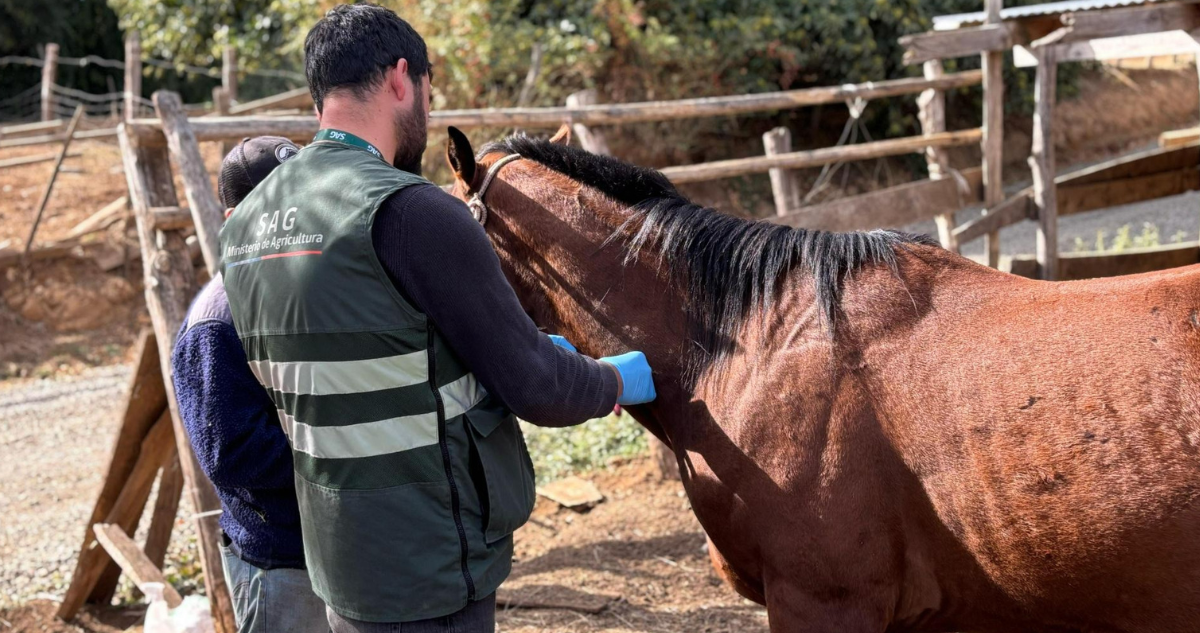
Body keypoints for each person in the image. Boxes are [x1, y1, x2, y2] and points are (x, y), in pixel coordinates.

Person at [218, 4, 657, 632]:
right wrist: (614, 380)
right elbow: (536, 386)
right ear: (402, 78)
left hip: (340, 559)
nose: (427, 105)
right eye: (428, 89)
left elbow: (363, 355)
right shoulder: (408, 211)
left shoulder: (250, 224)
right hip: (428, 566)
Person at [172, 136, 326, 633]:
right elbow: (231, 451)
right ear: (234, 220)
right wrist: (344, 449)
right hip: (279, 562)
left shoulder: (305, 295)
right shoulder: (216, 322)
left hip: (334, 548)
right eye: (273, 208)